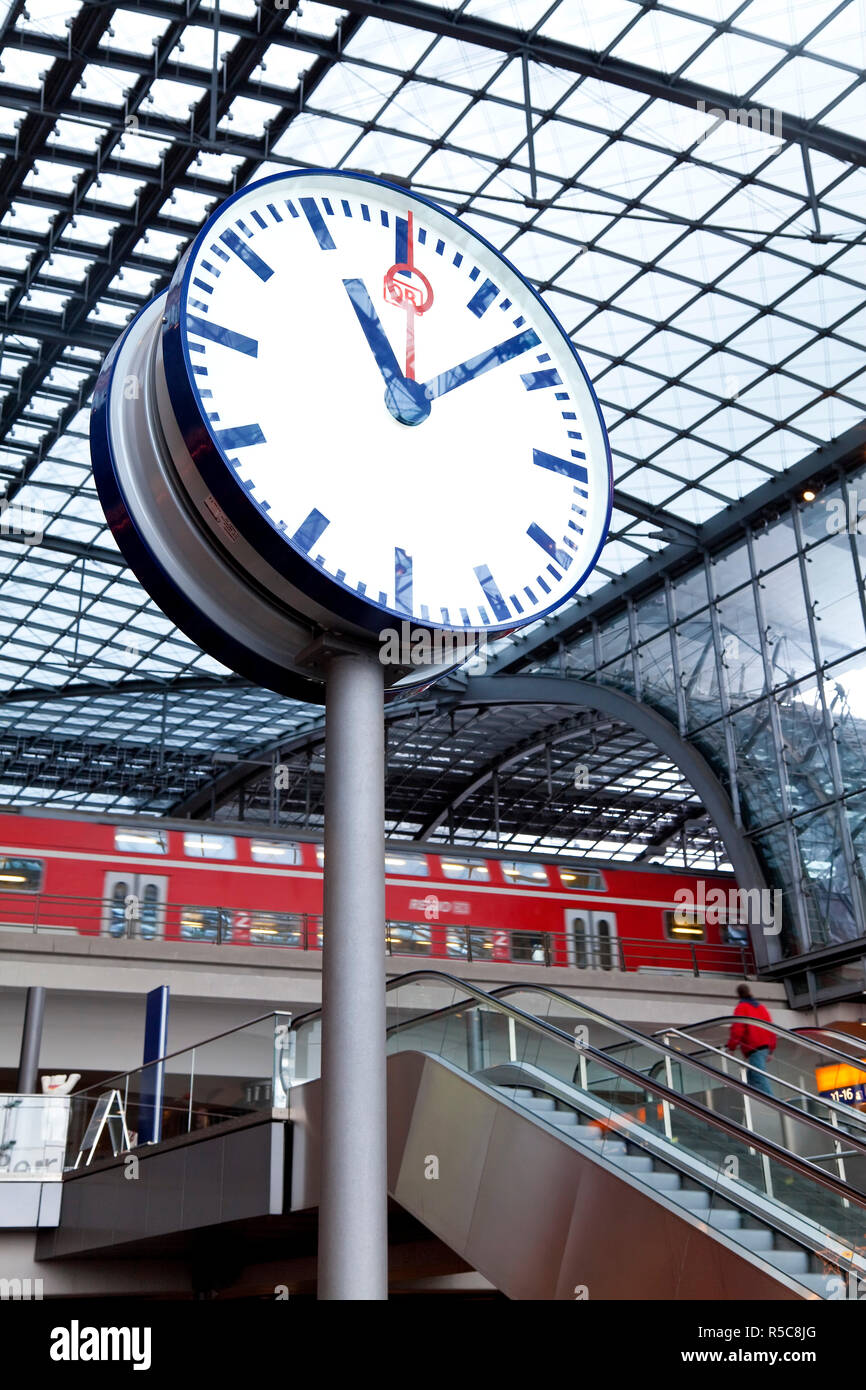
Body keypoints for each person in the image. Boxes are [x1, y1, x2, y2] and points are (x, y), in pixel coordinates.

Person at [726, 983, 777, 1098]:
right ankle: (749, 1101)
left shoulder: (742, 1007)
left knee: (758, 1077)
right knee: (751, 1078)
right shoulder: (761, 1007)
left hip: (754, 1047)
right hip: (764, 1047)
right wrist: (771, 1050)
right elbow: (771, 1028)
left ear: (738, 995)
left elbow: (737, 1029)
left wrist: (731, 1047)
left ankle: (774, 1105)